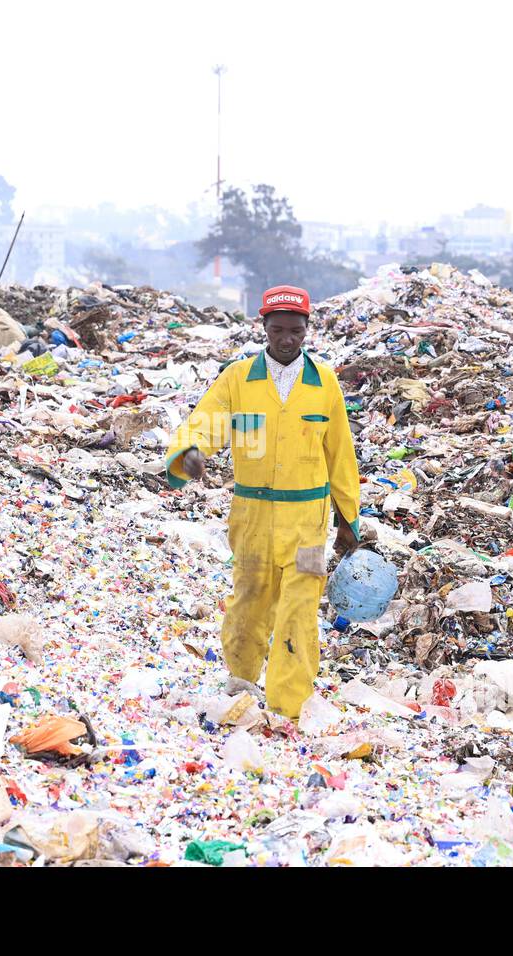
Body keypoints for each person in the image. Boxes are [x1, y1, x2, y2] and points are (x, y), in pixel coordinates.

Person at [164, 285, 360, 719]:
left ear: (308, 330)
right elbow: (206, 421)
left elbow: (340, 455)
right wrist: (192, 451)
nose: (286, 339)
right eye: (277, 330)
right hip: (252, 516)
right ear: (263, 328)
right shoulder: (238, 379)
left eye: (295, 330)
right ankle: (242, 683)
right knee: (248, 602)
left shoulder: (324, 383)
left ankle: (287, 705)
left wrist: (348, 520)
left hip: (308, 519)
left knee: (299, 609)